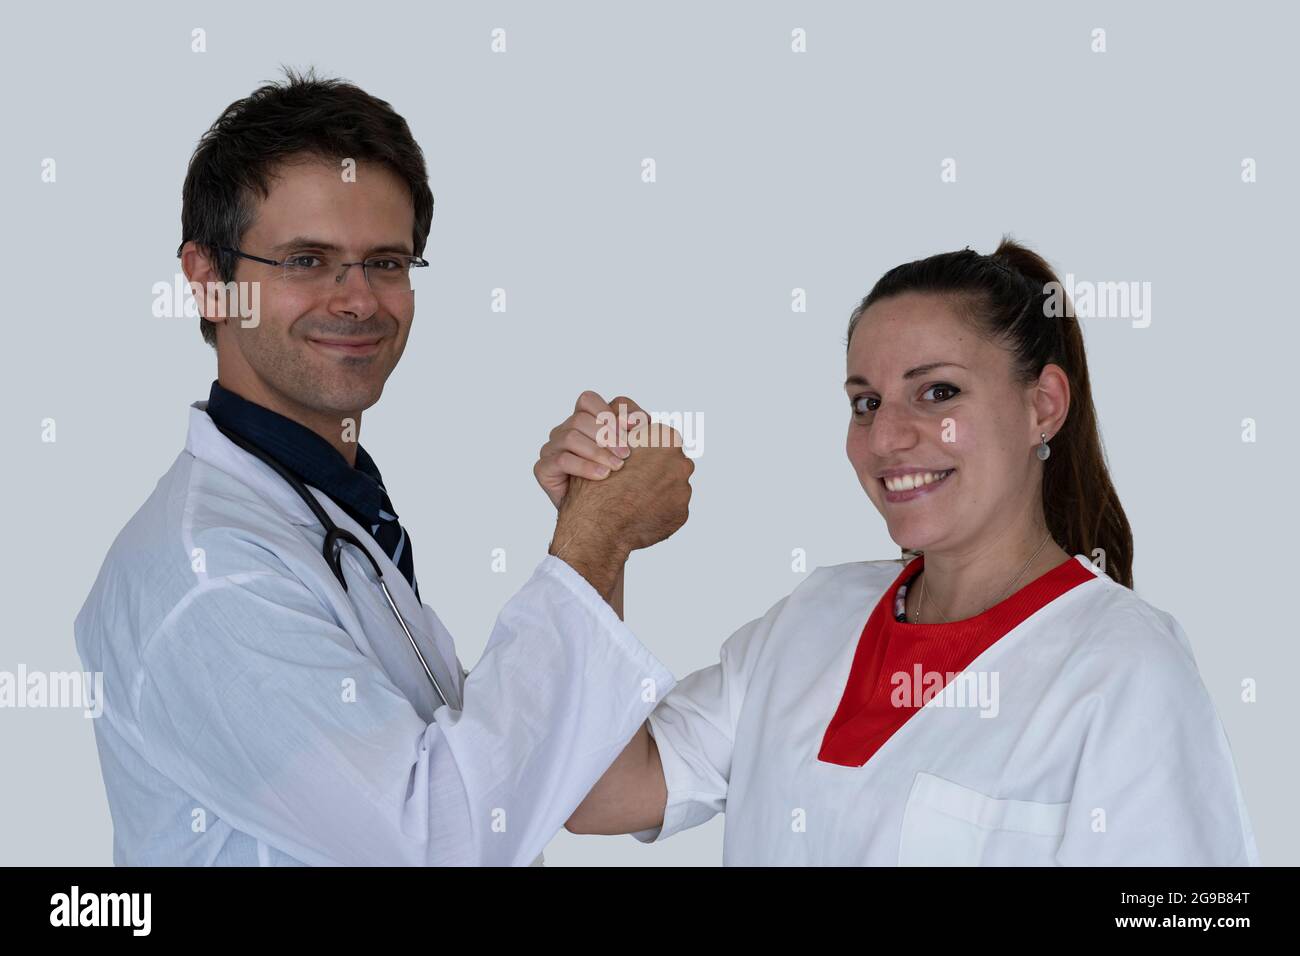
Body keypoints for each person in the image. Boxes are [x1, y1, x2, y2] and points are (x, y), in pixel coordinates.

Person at [72, 67, 694, 866]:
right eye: (305, 261)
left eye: (388, 262)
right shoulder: (205, 575)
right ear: (208, 281)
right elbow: (439, 839)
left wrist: (591, 531)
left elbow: (516, 776)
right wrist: (593, 541)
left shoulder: (330, 510)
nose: (359, 299)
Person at [539, 238, 1260, 865]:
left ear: (1043, 406)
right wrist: (599, 530)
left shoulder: (1126, 670)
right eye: (866, 402)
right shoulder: (811, 621)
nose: (885, 438)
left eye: (938, 391)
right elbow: (596, 791)